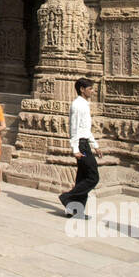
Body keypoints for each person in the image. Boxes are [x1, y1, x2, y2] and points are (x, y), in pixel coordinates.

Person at [60, 77, 99, 217]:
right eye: (90, 89)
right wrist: (75, 149)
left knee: (82, 178)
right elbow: (74, 128)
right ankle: (67, 197)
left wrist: (95, 145)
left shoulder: (84, 104)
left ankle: (74, 210)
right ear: (82, 89)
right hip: (81, 145)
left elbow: (85, 128)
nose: (93, 91)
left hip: (85, 143)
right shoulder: (77, 105)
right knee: (93, 177)